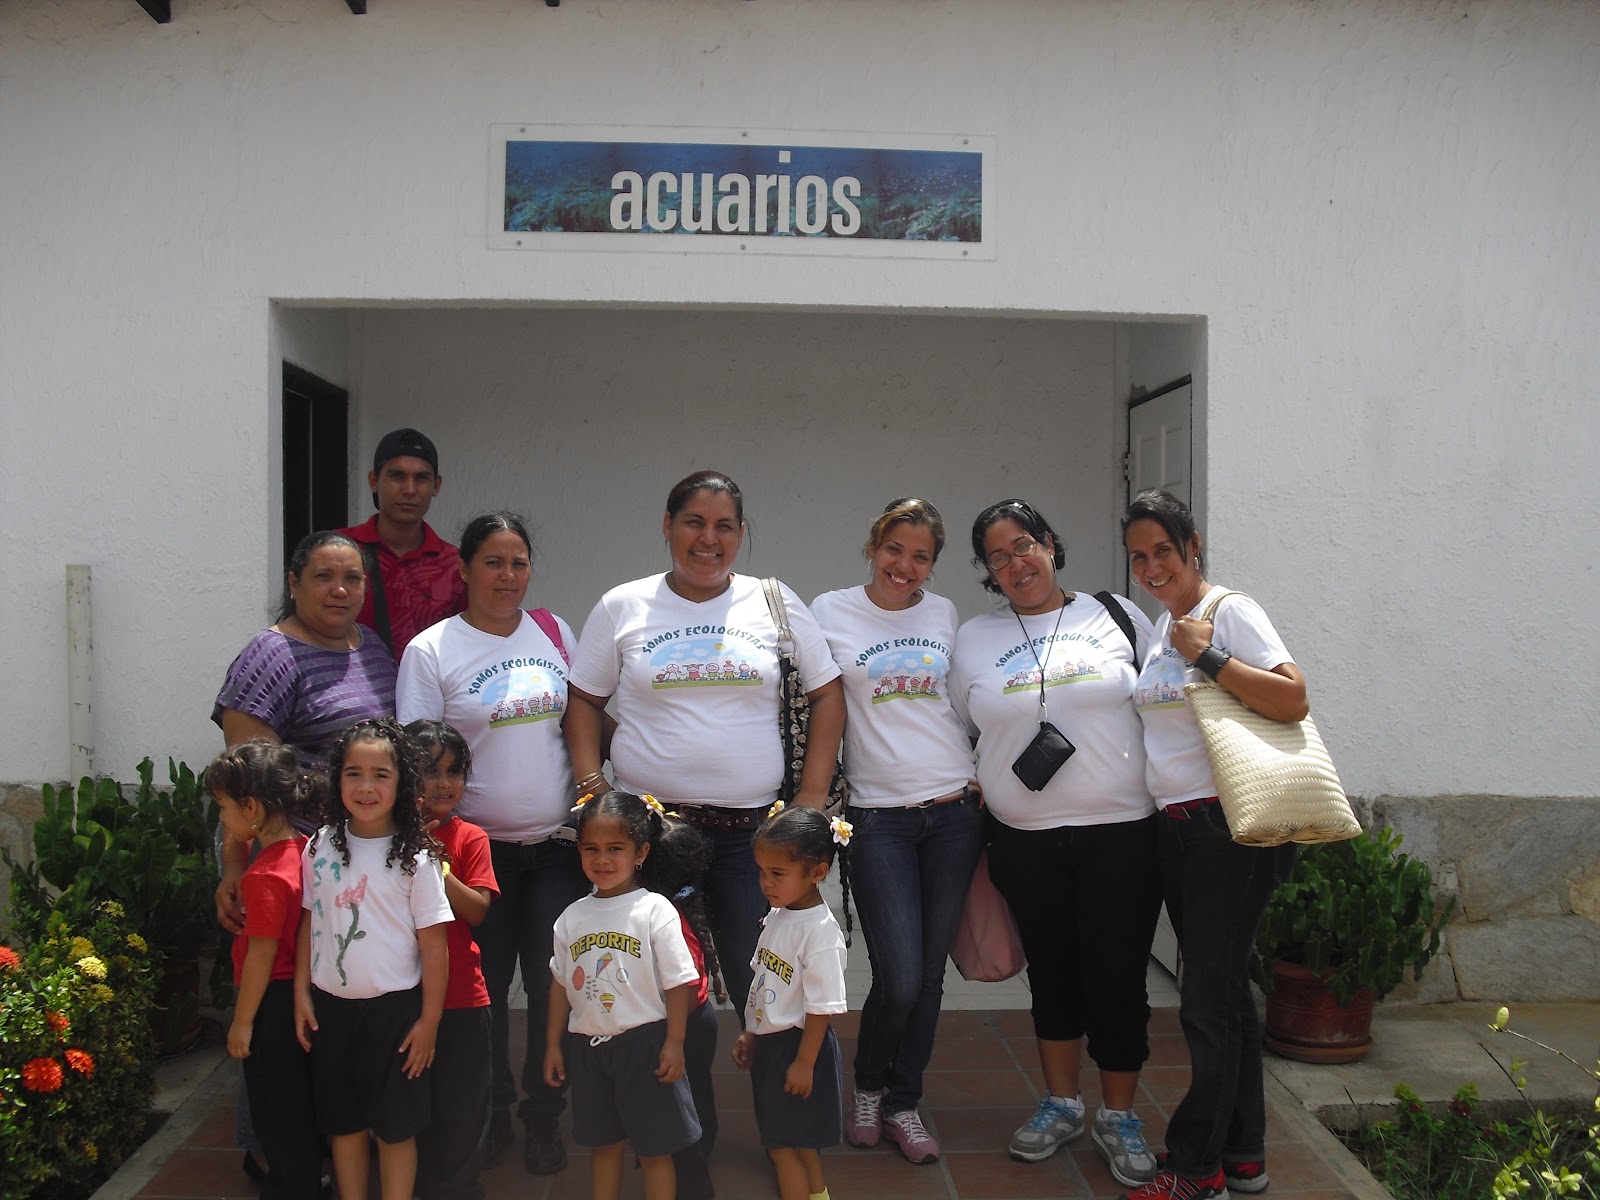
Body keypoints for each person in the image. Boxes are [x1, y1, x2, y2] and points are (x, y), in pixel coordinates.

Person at [565, 469, 845, 1022]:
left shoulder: (773, 601)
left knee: (764, 985)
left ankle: (780, 1075)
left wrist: (811, 797)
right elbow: (582, 702)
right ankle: (673, 1082)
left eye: (724, 526)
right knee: (652, 986)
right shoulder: (624, 606)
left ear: (741, 533)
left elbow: (828, 695)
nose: (708, 539)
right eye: (694, 522)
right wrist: (592, 786)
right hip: (652, 837)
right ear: (667, 526)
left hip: (752, 840)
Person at [950, 498, 1162, 1189]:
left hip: (1123, 835)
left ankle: (1119, 1116)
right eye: (997, 557)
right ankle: (1063, 1103)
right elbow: (959, 723)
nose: (1015, 564)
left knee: (1118, 977)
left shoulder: (1116, 616)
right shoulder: (974, 639)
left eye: (1024, 545)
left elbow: (1163, 702)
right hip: (1025, 842)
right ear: (988, 571)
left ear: (1048, 543)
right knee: (1053, 974)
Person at [1119, 489, 1308, 1200]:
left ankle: (1195, 1167)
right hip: (1179, 829)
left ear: (1192, 546)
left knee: (1204, 1000)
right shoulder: (1160, 629)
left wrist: (1211, 656)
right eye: (1139, 556)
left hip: (1226, 828)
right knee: (1224, 993)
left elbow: (1292, 697)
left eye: (1163, 551)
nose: (1152, 567)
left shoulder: (1228, 613)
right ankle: (1245, 1154)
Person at [395, 512, 585, 1175]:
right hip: (477, 856)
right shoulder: (432, 650)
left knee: (553, 980)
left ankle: (544, 1114)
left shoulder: (554, 633)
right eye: (493, 563)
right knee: (488, 987)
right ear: (464, 569)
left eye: (519, 563)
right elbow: (417, 757)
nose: (508, 576)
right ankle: (494, 1108)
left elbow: (581, 723)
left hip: (557, 847)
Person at [212, 527, 398, 1179]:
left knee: (320, 999)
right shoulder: (270, 655)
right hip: (280, 859)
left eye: (352, 578)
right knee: (271, 1007)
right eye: (322, 576)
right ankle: (268, 1148)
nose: (339, 590)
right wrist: (234, 866)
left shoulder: (370, 646)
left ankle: (324, 1140)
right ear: (293, 584)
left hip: (341, 857)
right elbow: (245, 781)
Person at [809, 498, 982, 1165]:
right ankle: (868, 1087)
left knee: (930, 976)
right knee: (900, 974)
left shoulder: (943, 614)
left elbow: (959, 703)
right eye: (894, 550)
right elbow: (812, 701)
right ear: (872, 547)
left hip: (953, 810)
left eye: (920, 557)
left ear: (933, 565)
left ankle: (902, 1101)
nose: (904, 566)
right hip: (876, 817)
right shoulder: (830, 611)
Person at [294, 718, 451, 1200]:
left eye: (380, 775)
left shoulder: (416, 859)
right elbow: (310, 922)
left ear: (402, 782)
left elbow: (434, 944)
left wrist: (429, 1021)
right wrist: (301, 993)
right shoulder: (319, 845)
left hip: (396, 1016)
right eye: (353, 773)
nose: (366, 787)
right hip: (330, 1011)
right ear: (336, 779)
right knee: (344, 1126)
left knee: (396, 1131)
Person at [543, 791, 703, 1200]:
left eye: (615, 848)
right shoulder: (571, 917)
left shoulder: (655, 910)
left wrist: (675, 1042)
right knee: (603, 1145)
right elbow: (560, 984)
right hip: (587, 1048)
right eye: (591, 849)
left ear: (640, 852)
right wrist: (553, 1044)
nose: (602, 859)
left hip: (645, 1047)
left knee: (655, 1151)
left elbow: (679, 983)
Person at [207, 741, 321, 1200]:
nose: (222, 818)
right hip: (301, 994)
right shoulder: (305, 850)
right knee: (300, 1101)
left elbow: (261, 955)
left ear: (251, 807)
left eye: (223, 808)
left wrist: (241, 1022)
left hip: (270, 1003)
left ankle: (293, 1188)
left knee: (276, 1107)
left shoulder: (265, 876)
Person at [731, 804, 850, 1200]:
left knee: (783, 1147)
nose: (766, 883)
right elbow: (764, 979)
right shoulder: (779, 915)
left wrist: (804, 1062)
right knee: (794, 1140)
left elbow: (821, 1008)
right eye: (762, 871)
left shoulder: (820, 934)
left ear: (817, 871)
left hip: (799, 1048)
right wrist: (751, 1032)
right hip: (773, 1046)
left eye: (777, 873)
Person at [405, 720, 499, 1200]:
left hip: (462, 994)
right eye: (429, 771)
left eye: (454, 771)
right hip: (402, 993)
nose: (443, 783)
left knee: (462, 1103)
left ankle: (458, 1187)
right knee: (410, 1100)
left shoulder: (469, 837)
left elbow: (477, 909)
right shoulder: (382, 837)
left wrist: (434, 865)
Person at [641, 812, 726, 1200]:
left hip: (682, 1024)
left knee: (679, 1102)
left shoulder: (664, 921)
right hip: (696, 1022)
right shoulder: (684, 906)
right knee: (696, 1090)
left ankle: (691, 1166)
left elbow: (686, 992)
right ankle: (700, 1144)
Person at [340, 427, 467, 662]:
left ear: (436, 485)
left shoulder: (455, 566)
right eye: (397, 476)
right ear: (374, 481)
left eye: (421, 478)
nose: (409, 490)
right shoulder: (338, 552)